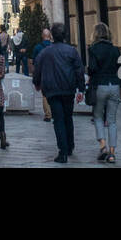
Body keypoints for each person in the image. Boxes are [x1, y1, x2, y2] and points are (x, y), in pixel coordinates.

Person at [33, 22, 86, 163]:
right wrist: (81, 89)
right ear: (65, 35)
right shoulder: (72, 51)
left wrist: (37, 83)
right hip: (68, 89)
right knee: (68, 117)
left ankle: (62, 152)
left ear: (52, 36)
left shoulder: (45, 52)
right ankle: (70, 146)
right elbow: (79, 71)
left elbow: (37, 68)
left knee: (58, 119)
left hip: (52, 91)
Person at [87, 22, 121, 164]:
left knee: (98, 116)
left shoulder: (93, 49)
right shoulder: (116, 50)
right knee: (112, 120)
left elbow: (92, 69)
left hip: (100, 85)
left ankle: (103, 146)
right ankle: (112, 153)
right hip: (114, 85)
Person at [30, 27, 53, 120]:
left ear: (42, 36)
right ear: (50, 36)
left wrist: (35, 78)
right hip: (54, 73)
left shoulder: (38, 48)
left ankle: (48, 114)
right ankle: (54, 112)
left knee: (45, 95)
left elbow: (34, 62)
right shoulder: (54, 46)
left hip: (43, 74)